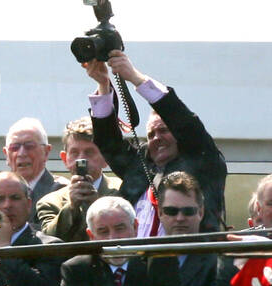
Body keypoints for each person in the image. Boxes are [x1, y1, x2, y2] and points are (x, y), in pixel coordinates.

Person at [83, 49, 227, 234]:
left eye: (164, 131)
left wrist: (135, 77)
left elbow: (185, 122)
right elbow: (108, 142)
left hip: (190, 258)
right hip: (138, 260)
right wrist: (103, 83)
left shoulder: (203, 160)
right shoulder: (140, 164)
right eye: (151, 134)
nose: (157, 138)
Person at [56, 197, 183, 286]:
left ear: (135, 227)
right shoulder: (76, 269)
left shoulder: (161, 263)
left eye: (120, 228)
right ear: (91, 236)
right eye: (103, 231)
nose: (113, 238)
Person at [35, 117, 122, 242]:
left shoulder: (121, 190)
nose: (81, 159)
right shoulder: (49, 203)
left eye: (89, 152)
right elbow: (48, 240)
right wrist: (71, 208)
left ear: (105, 158)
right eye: (74, 153)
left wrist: (97, 206)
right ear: (65, 159)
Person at [2, 117, 67, 205]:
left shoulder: (63, 192)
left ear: (46, 152)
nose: (22, 153)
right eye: (14, 147)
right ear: (6, 154)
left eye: (29, 146)